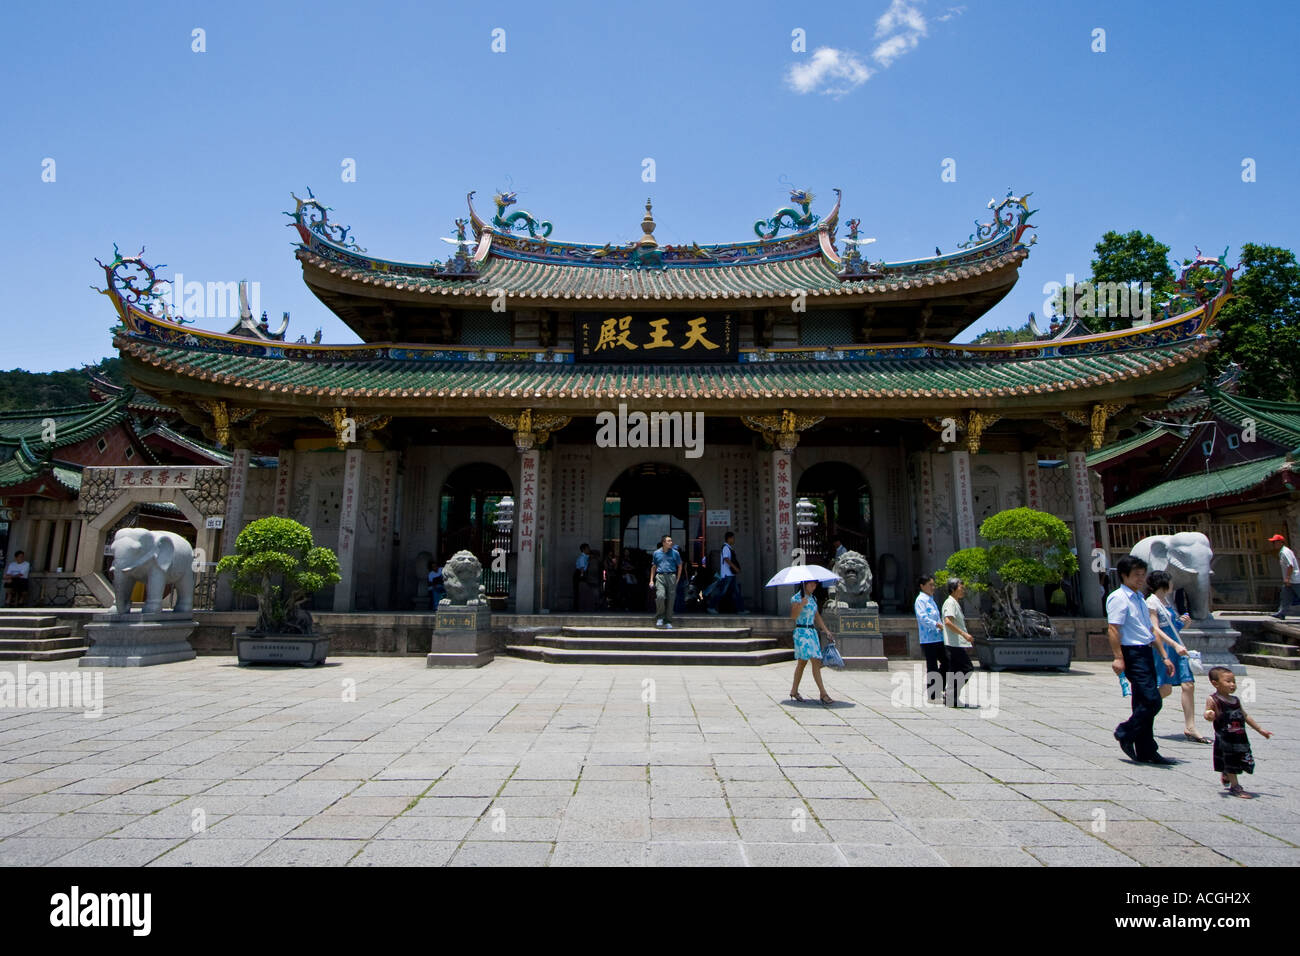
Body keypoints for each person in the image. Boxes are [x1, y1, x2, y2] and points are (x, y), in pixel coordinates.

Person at [1108, 555, 1176, 765]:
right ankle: (1125, 732)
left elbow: (1149, 629)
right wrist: (1118, 657)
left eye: (1142, 574)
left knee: (1142, 702)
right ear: (1124, 575)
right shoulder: (1119, 597)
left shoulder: (1139, 598)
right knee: (1152, 699)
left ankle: (1146, 749)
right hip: (1132, 652)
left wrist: (1164, 655)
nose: (1140, 578)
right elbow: (1113, 628)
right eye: (1136, 575)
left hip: (1145, 651)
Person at [1146, 570, 1210, 744]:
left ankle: (1190, 726)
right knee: (1165, 688)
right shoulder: (1151, 602)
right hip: (1164, 649)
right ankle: (1143, 712)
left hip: (1178, 647)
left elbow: (1171, 627)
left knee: (1188, 684)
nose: (1173, 585)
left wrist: (1182, 622)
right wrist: (1173, 645)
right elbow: (1155, 629)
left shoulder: (1167, 601)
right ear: (1164, 583)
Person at [1204, 666, 1272, 798]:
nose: (1232, 685)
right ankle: (1236, 787)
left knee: (1243, 761)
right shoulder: (1213, 699)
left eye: (1234, 681)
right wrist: (1209, 714)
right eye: (1228, 681)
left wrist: (1260, 729)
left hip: (1240, 737)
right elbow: (1207, 713)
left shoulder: (1235, 700)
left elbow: (1245, 716)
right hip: (1225, 739)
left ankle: (1226, 772)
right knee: (1231, 761)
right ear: (1215, 683)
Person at [789, 580, 835, 704]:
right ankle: (823, 693)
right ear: (805, 584)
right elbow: (793, 616)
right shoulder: (796, 598)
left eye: (815, 585)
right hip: (802, 632)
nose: (813, 587)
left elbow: (817, 616)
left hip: (812, 632)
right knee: (811, 661)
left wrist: (826, 630)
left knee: (804, 663)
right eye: (811, 584)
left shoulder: (813, 598)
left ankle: (794, 690)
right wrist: (801, 605)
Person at [941, 577, 976, 708]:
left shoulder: (954, 603)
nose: (963, 590)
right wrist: (964, 634)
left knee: (955, 671)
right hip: (954, 643)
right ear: (953, 589)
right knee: (967, 668)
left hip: (955, 643)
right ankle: (951, 695)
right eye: (961, 587)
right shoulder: (950, 603)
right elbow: (948, 622)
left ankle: (951, 697)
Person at [914, 575, 945, 704]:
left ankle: (938, 686)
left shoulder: (931, 600)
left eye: (933, 585)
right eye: (930, 585)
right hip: (928, 639)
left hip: (938, 637)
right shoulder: (920, 600)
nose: (933, 587)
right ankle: (933, 694)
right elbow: (923, 618)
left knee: (947, 661)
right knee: (932, 665)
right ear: (922, 586)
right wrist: (936, 624)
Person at [707, 531, 745, 614]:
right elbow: (726, 559)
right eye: (733, 538)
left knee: (736, 592)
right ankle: (711, 606)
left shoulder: (729, 548)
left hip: (731, 574)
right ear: (729, 538)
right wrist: (735, 568)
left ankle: (741, 609)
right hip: (727, 575)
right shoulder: (726, 548)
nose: (734, 540)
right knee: (722, 592)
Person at [650, 535, 683, 628]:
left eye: (671, 541)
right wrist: (651, 580)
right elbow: (653, 566)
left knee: (671, 599)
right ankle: (660, 617)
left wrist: (677, 578)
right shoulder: (656, 553)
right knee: (660, 596)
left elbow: (680, 565)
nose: (671, 542)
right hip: (660, 576)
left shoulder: (675, 553)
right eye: (668, 541)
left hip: (671, 576)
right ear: (663, 543)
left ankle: (668, 620)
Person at [1270, 534, 1299, 619]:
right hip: (1290, 580)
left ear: (1281, 542)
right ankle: (1281, 613)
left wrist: (1287, 578)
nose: (1273, 544)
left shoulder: (1285, 552)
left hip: (1295, 580)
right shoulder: (1282, 552)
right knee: (1285, 596)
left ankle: (1281, 613)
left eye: (1275, 542)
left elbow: (1290, 565)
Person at [573, 543, 592, 611]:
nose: (589, 549)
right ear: (584, 549)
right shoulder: (582, 558)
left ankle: (581, 606)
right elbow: (582, 568)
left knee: (582, 591)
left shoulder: (587, 557)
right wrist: (582, 576)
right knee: (578, 591)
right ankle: (577, 607)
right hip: (580, 574)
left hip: (583, 573)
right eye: (587, 548)